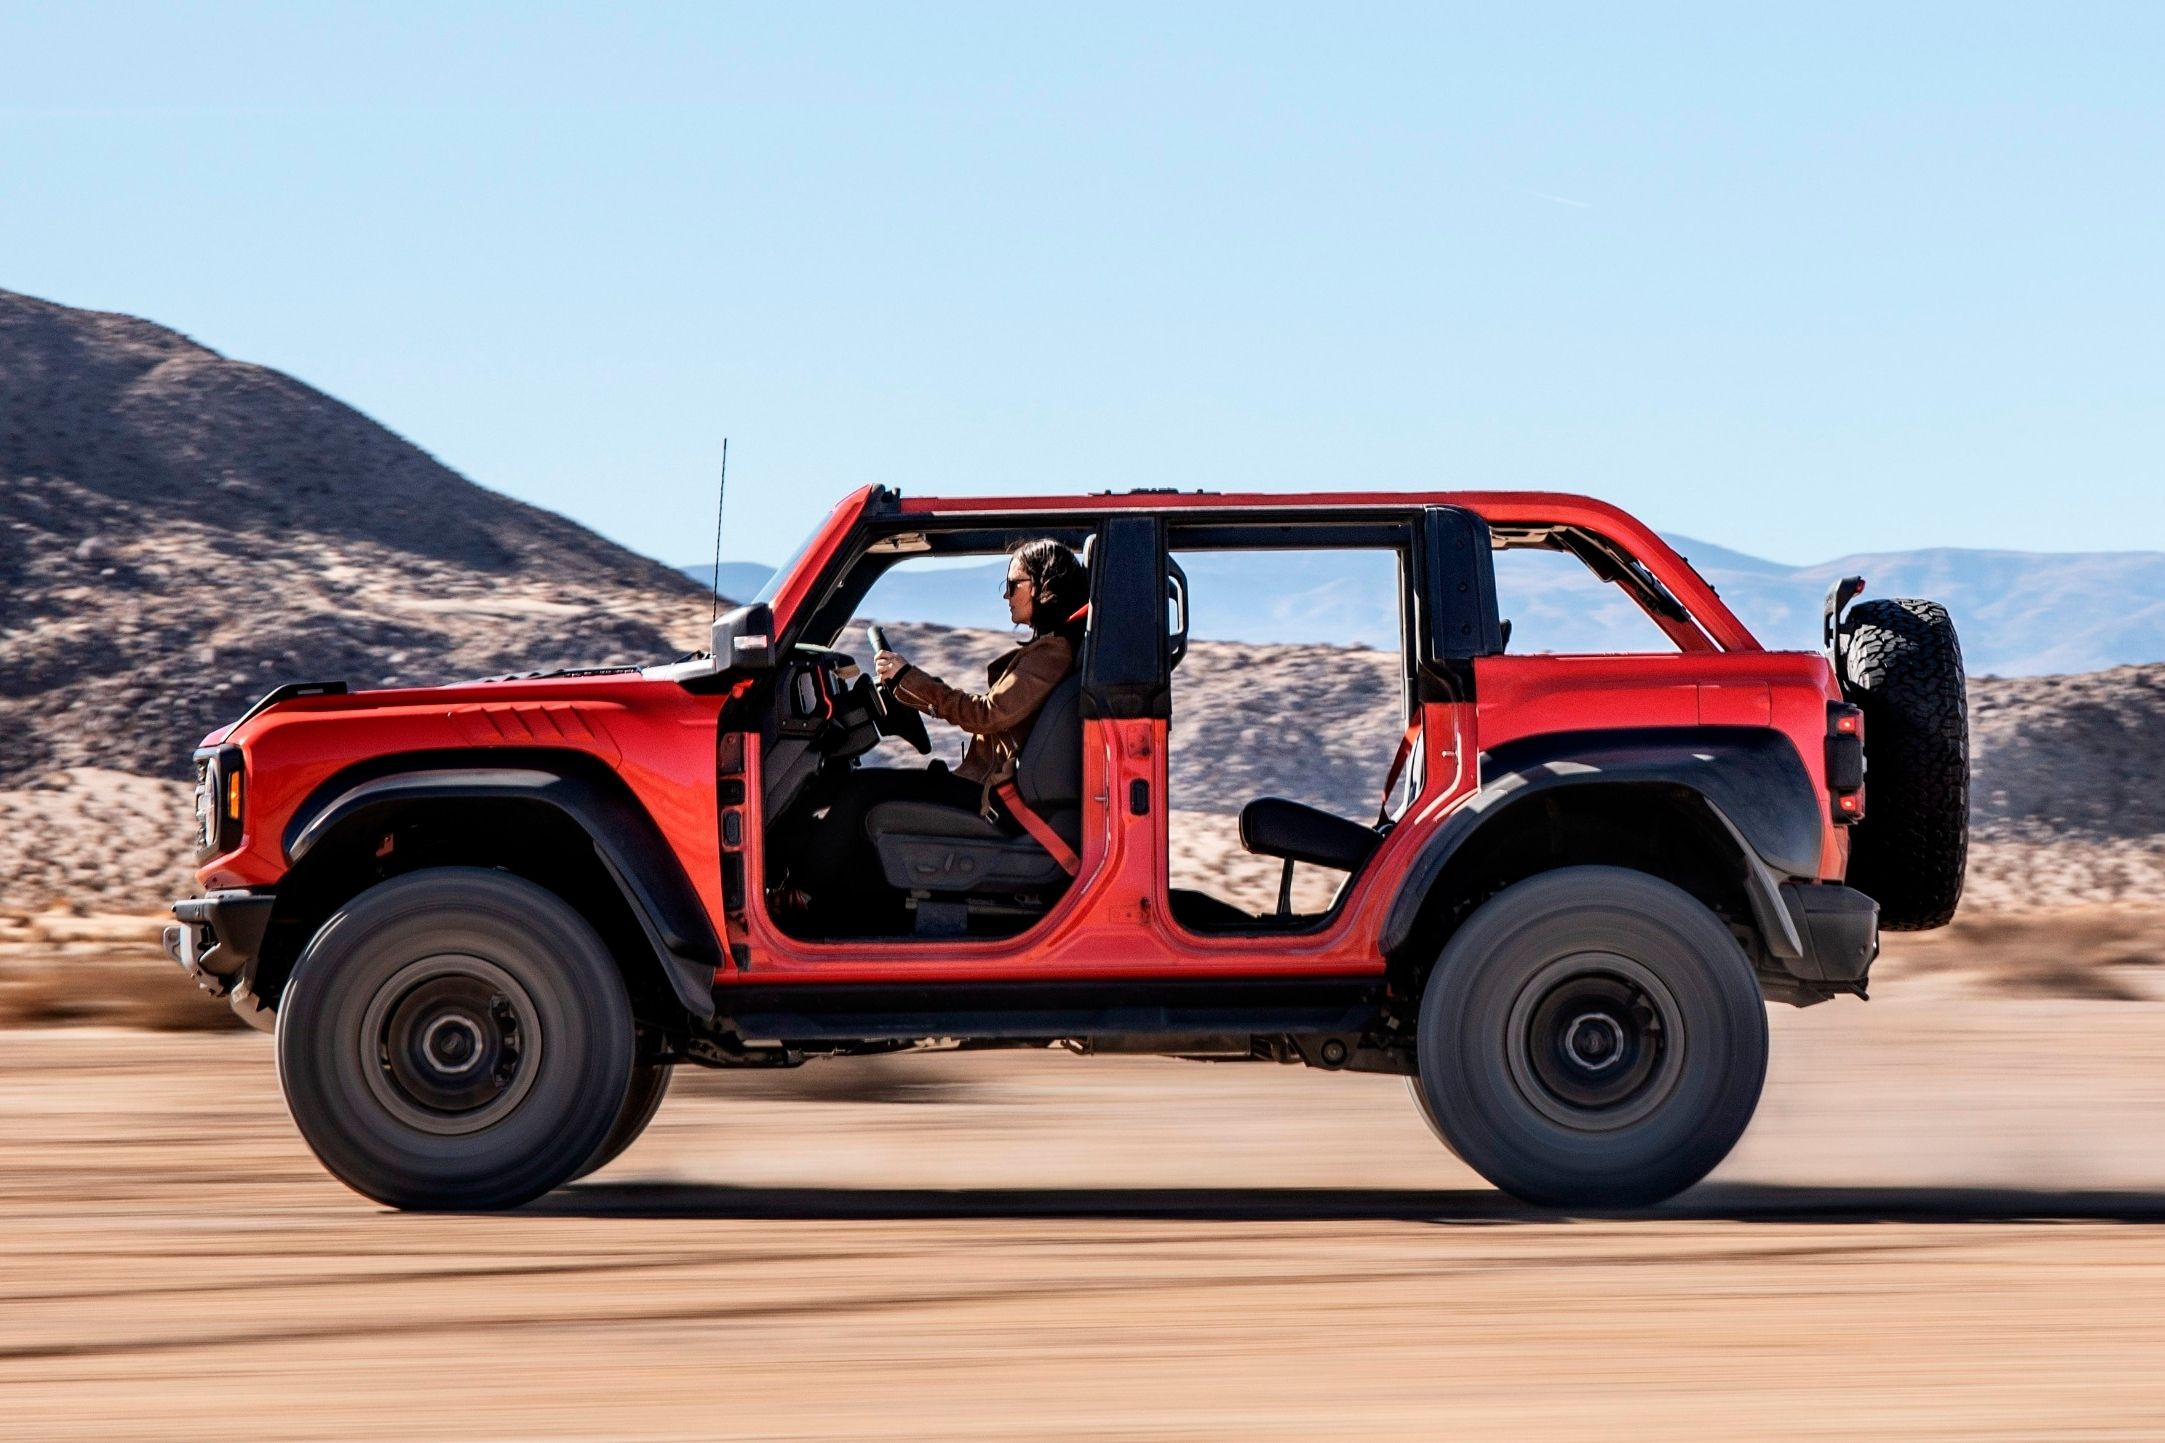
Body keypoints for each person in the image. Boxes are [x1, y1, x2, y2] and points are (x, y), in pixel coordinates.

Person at [775, 538, 1089, 930]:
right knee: (862, 793)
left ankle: (796, 899)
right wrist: (911, 686)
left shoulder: (1053, 653)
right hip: (991, 791)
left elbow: (986, 713)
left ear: (1044, 586)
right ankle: (832, 912)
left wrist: (911, 680)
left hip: (995, 801)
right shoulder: (1052, 649)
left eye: (1014, 584)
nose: (1006, 595)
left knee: (860, 792)